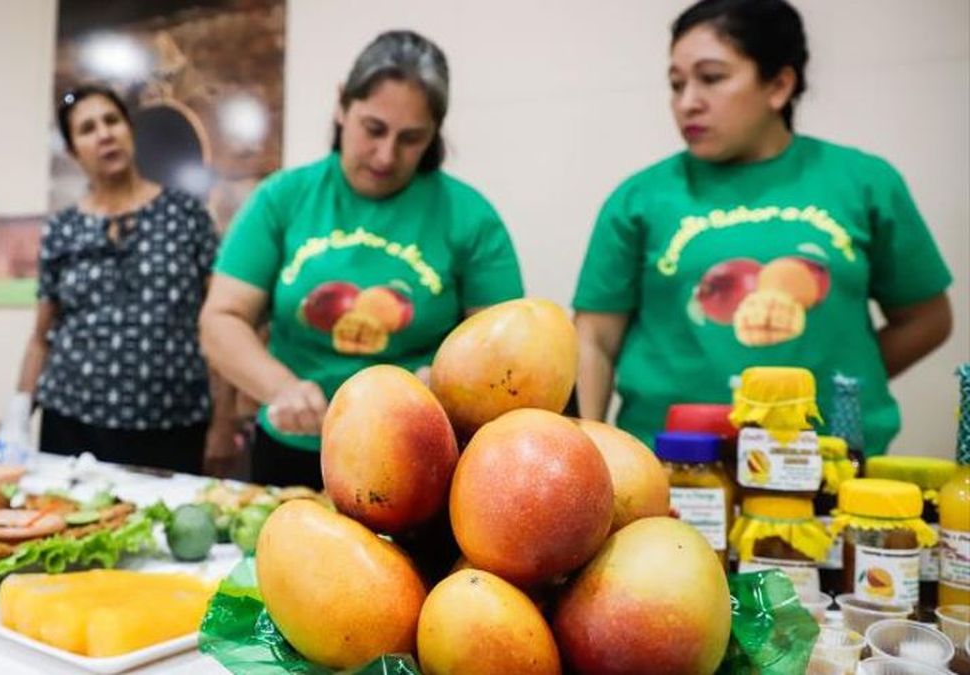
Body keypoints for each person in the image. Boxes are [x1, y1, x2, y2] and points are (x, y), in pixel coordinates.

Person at [572, 0, 952, 456]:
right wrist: (585, 452)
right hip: (670, 469)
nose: (687, 102)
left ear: (778, 85)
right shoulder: (639, 198)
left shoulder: (865, 182)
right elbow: (593, 336)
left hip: (831, 463)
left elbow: (927, 318)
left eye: (711, 78)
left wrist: (838, 379)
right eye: (676, 84)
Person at [200, 30, 524, 490]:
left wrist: (449, 383)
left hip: (417, 456)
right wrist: (281, 389)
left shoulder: (470, 217)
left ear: (434, 133)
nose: (386, 155)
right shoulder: (281, 199)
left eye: (411, 138)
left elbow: (506, 349)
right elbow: (221, 319)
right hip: (295, 449)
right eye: (373, 129)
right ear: (341, 105)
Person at [0, 84, 219, 472]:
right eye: (87, 129)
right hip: (72, 424)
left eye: (111, 120)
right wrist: (17, 415)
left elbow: (221, 321)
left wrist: (226, 419)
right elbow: (40, 338)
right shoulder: (63, 229)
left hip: (174, 425)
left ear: (129, 129)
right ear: (73, 151)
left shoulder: (187, 215)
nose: (104, 134)